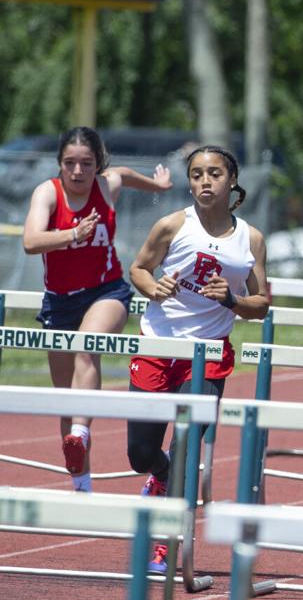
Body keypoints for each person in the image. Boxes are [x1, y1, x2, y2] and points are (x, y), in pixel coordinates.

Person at [127, 146, 269, 572]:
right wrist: (154, 289)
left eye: (214, 173)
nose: (205, 181)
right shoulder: (172, 225)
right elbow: (138, 269)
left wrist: (233, 299)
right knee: (139, 453)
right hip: (158, 346)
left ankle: (166, 543)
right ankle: (161, 471)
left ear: (232, 181)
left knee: (188, 445)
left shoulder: (251, 238)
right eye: (196, 174)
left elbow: (261, 304)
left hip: (207, 353)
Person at [20, 126, 173, 492]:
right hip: (59, 301)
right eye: (69, 163)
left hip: (107, 291)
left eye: (86, 163)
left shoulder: (107, 186)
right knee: (67, 399)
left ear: (97, 164)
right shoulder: (48, 193)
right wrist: (73, 234)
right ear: (59, 164)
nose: (77, 172)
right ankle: (82, 486)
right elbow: (30, 242)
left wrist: (160, 186)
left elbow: (125, 175)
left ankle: (81, 431)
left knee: (88, 348)